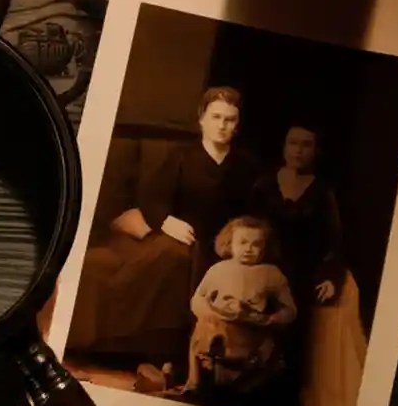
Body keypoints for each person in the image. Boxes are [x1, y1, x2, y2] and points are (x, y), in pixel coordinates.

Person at [70, 86, 260, 370]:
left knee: (183, 263)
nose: (222, 126)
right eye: (216, 117)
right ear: (202, 120)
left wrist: (234, 242)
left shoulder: (246, 166)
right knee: (165, 259)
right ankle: (122, 342)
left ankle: (177, 358)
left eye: (229, 119)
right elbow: (153, 198)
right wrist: (167, 222)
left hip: (224, 247)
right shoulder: (182, 156)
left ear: (237, 124)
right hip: (179, 236)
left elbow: (251, 215)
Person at [249, 122, 367, 406]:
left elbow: (336, 239)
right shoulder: (263, 185)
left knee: (297, 334)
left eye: (306, 144)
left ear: (316, 151)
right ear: (284, 146)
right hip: (266, 270)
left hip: (305, 274)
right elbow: (247, 228)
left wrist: (331, 276)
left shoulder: (324, 191)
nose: (298, 150)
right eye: (293, 143)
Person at [182, 216, 296, 397]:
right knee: (205, 331)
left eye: (256, 244)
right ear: (229, 243)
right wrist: (207, 313)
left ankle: (246, 379)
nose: (249, 249)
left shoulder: (272, 273)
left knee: (267, 347)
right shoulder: (219, 269)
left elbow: (290, 310)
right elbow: (198, 299)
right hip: (219, 323)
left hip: (250, 327)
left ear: (265, 247)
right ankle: (197, 379)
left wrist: (270, 319)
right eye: (242, 242)